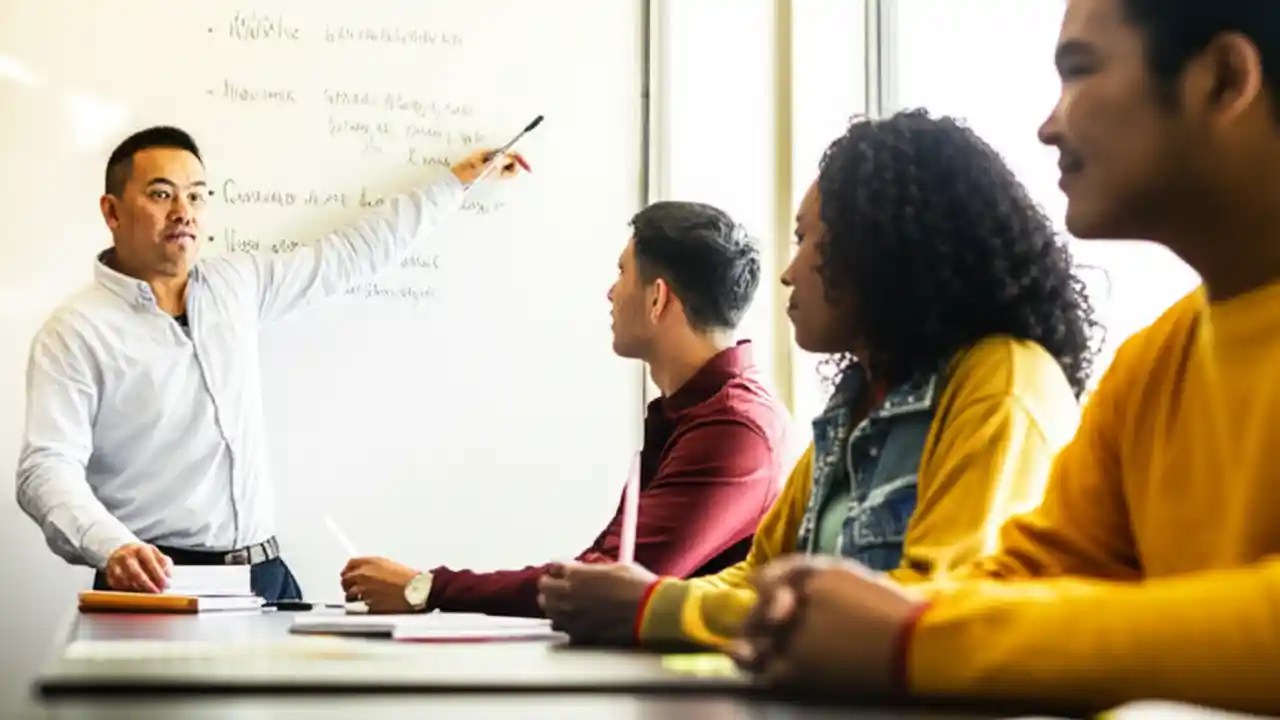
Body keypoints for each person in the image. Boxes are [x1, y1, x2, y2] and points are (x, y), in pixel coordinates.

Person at [732, 0, 1280, 715]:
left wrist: (915, 641)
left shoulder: (1014, 374)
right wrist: (819, 618)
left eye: (1079, 72)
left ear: (1223, 79)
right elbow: (1024, 579)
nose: (1049, 125)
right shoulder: (1154, 362)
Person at [535, 109, 1098, 648]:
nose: (788, 273)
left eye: (805, 240)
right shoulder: (855, 403)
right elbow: (758, 575)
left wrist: (654, 607)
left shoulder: (1003, 381)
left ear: (875, 248)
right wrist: (643, 599)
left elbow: (932, 604)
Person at [16, 125, 524, 602]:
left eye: (196, 196)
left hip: (266, 577)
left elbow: (351, 254)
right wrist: (112, 548)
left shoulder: (234, 286)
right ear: (112, 211)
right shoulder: (77, 331)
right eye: (161, 194)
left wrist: (455, 182)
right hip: (155, 582)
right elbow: (45, 468)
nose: (183, 212)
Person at [339, 201, 795, 617]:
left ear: (657, 298)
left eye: (621, 272)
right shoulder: (697, 413)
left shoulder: (735, 429)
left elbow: (603, 582)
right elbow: (602, 567)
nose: (610, 293)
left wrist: (427, 588)